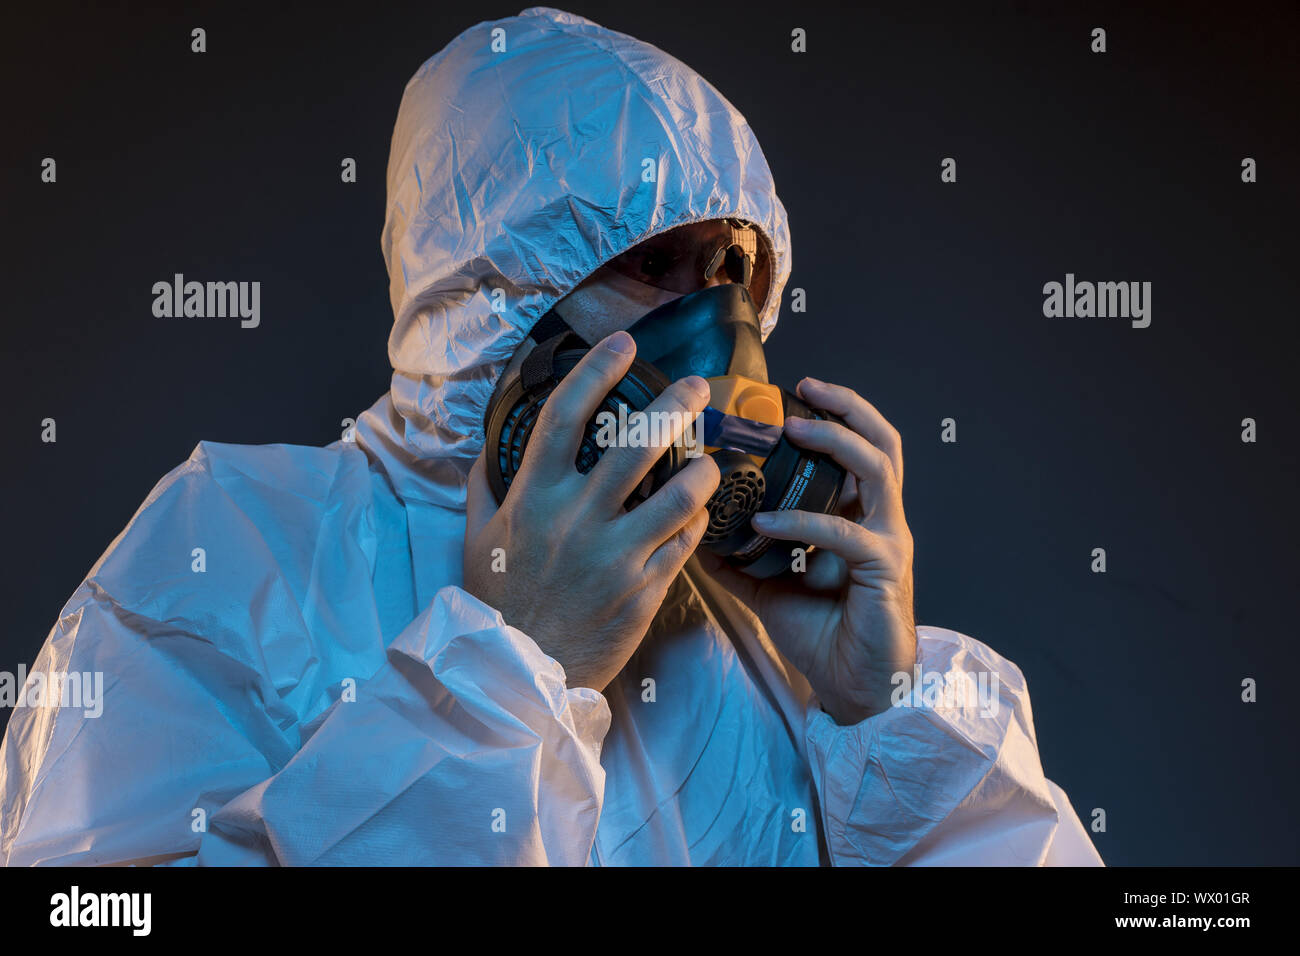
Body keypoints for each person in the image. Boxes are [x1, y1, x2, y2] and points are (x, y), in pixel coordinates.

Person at [0, 7, 1102, 866]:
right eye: (649, 265)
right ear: (494, 288)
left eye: (731, 273)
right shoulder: (243, 547)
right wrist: (504, 667)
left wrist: (888, 725)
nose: (712, 329)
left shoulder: (767, 625)